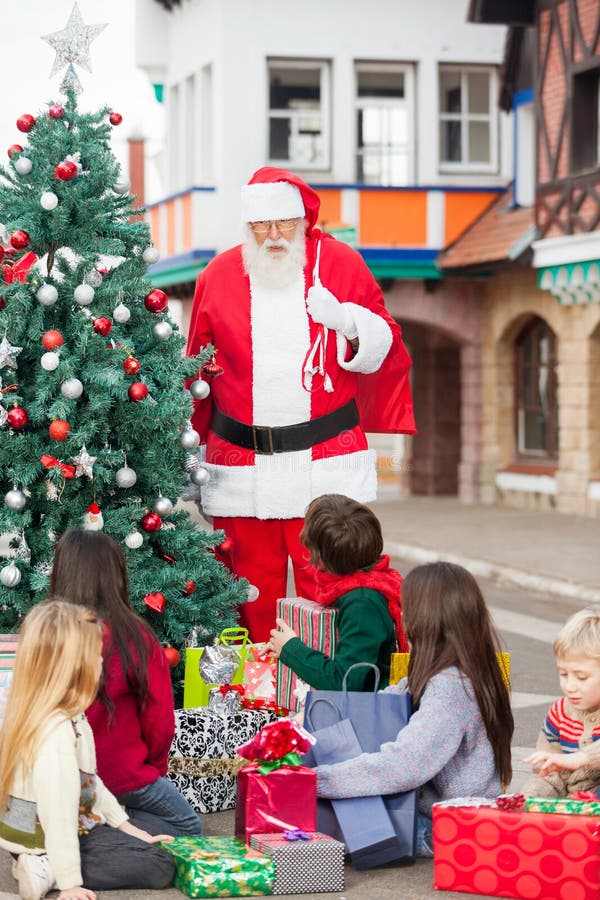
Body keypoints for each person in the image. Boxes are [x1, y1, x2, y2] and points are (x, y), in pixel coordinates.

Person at [186, 166, 415, 642]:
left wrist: (349, 321)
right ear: (247, 227)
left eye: (284, 224)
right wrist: (188, 454)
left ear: (302, 220)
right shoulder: (217, 275)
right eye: (260, 226)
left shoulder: (340, 264)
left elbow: (387, 343)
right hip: (240, 465)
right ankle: (254, 700)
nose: (273, 236)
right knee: (245, 598)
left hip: (325, 464)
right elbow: (197, 369)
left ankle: (334, 691)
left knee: (335, 591)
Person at [313, 561, 514, 857]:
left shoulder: (450, 687)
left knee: (317, 823)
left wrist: (314, 779)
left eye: (408, 608)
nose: (403, 616)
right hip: (452, 815)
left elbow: (404, 766)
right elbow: (381, 704)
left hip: (445, 827)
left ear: (428, 619)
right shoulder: (466, 668)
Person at [0, 600, 175, 900]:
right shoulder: (55, 731)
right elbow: (57, 813)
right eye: (96, 656)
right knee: (160, 865)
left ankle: (41, 863)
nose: (102, 663)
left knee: (146, 844)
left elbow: (89, 782)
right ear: (74, 668)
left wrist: (128, 829)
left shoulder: (62, 714)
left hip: (35, 830)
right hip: (43, 836)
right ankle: (48, 869)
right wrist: (70, 883)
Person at [50, 529, 201, 837]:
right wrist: (154, 769)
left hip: (59, 776)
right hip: (125, 775)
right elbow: (159, 721)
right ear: (115, 575)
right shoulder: (134, 635)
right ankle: (115, 827)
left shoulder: (47, 633)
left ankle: (87, 830)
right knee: (187, 826)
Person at [266, 494, 409, 691]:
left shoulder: (362, 603)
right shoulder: (359, 584)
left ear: (321, 555)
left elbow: (345, 681)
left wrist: (291, 649)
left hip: (367, 710)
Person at [522, 606, 600, 797]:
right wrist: (532, 797)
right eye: (564, 674)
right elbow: (549, 772)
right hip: (571, 801)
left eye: (581, 677)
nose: (570, 686)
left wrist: (581, 758)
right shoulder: (560, 712)